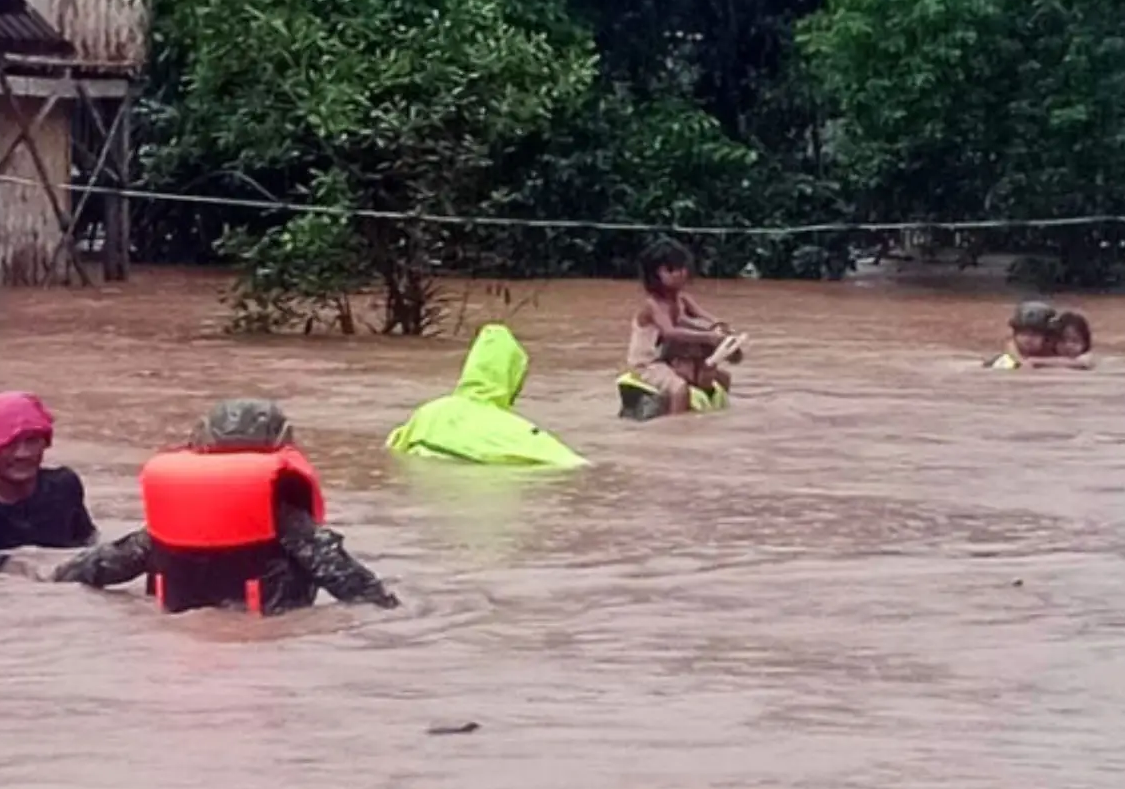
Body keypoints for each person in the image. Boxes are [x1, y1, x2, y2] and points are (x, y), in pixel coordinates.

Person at [52, 399, 398, 615]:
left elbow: (99, 567)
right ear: (281, 443)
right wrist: (394, 608)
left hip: (179, 642)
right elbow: (346, 581)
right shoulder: (289, 520)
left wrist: (49, 578)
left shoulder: (167, 525)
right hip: (268, 643)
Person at [0, 391, 97, 578]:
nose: (22, 454)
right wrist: (3, 563)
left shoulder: (64, 486)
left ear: (45, 444)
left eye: (32, 441)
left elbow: (88, 540)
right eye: (9, 444)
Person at [386, 323, 585, 466]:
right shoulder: (519, 431)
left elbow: (393, 446)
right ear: (513, 377)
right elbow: (571, 465)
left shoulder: (429, 412)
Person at [622, 238, 744, 417]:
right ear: (656, 274)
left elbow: (707, 317)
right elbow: (670, 332)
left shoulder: (682, 299)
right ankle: (676, 427)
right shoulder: (652, 305)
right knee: (679, 389)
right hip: (648, 365)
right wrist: (709, 337)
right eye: (673, 270)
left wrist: (721, 328)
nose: (681, 273)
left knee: (724, 377)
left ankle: (718, 418)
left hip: (669, 358)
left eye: (682, 268)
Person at [986, 300, 1058, 370]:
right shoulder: (1003, 362)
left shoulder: (1056, 360)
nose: (1028, 339)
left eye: (1035, 334)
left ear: (1048, 337)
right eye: (1023, 333)